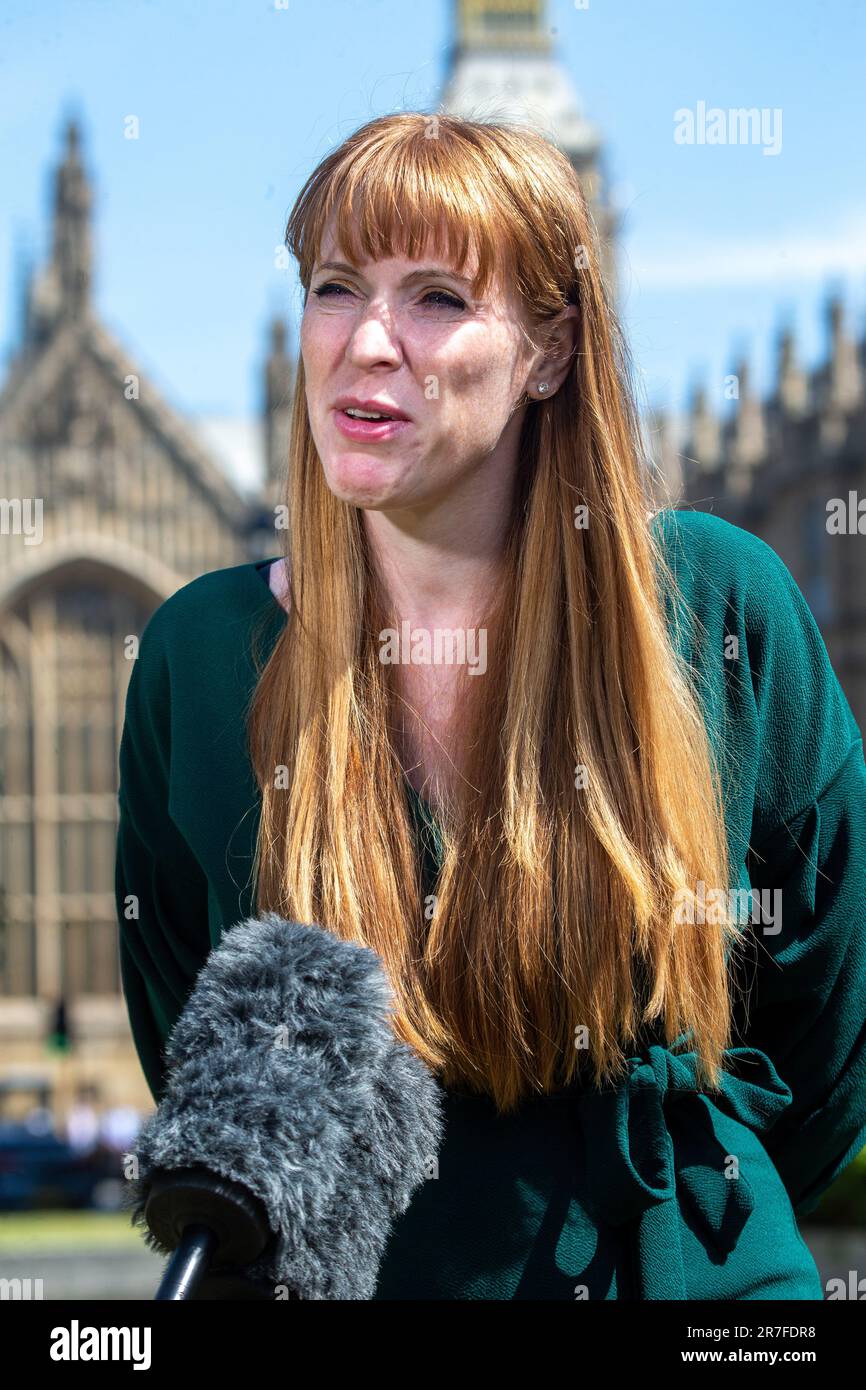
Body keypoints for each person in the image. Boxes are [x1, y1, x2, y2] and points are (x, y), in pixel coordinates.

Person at [115, 112, 866, 1300]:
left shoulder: (717, 606)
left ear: (551, 350)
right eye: (334, 287)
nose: (366, 342)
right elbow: (183, 1021)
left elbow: (827, 1021)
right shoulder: (200, 656)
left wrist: (681, 1208)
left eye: (435, 299)